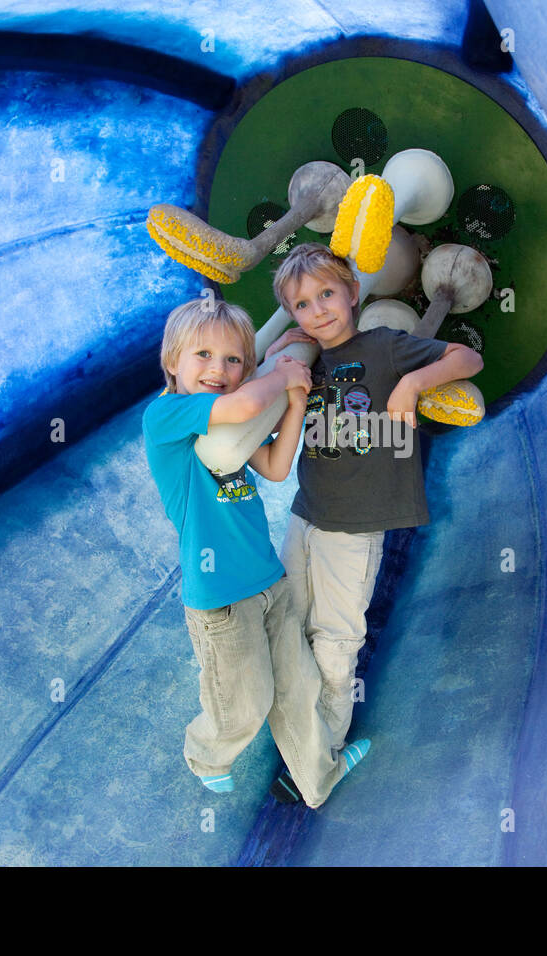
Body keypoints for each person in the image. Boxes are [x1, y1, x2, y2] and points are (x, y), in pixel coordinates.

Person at [142, 298, 368, 808]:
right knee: (246, 703)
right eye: (202, 355)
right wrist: (285, 371)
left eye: (233, 360)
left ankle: (318, 778)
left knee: (298, 689)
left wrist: (293, 403)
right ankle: (206, 754)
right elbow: (244, 404)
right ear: (172, 362)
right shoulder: (166, 416)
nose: (218, 370)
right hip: (221, 600)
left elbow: (275, 466)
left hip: (269, 580)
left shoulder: (229, 434)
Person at [266, 243, 485, 748]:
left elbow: (467, 358)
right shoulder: (310, 358)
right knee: (290, 623)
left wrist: (413, 382)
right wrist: (285, 353)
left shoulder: (385, 345)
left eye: (327, 294)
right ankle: (293, 730)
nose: (318, 310)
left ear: (353, 293)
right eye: (303, 304)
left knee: (335, 645)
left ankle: (327, 748)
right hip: (306, 515)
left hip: (356, 528)